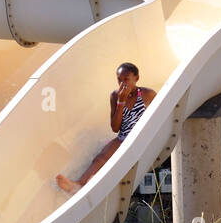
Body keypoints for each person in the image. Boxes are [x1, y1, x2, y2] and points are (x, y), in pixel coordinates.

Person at [56, 63, 156, 194]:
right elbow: (115, 127)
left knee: (113, 162)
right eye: (119, 79)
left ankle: (93, 183)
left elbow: (159, 114)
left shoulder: (147, 94)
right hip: (123, 137)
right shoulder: (115, 96)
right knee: (100, 158)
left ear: (136, 78)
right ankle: (79, 185)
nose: (122, 83)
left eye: (126, 79)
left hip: (140, 137)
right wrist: (121, 101)